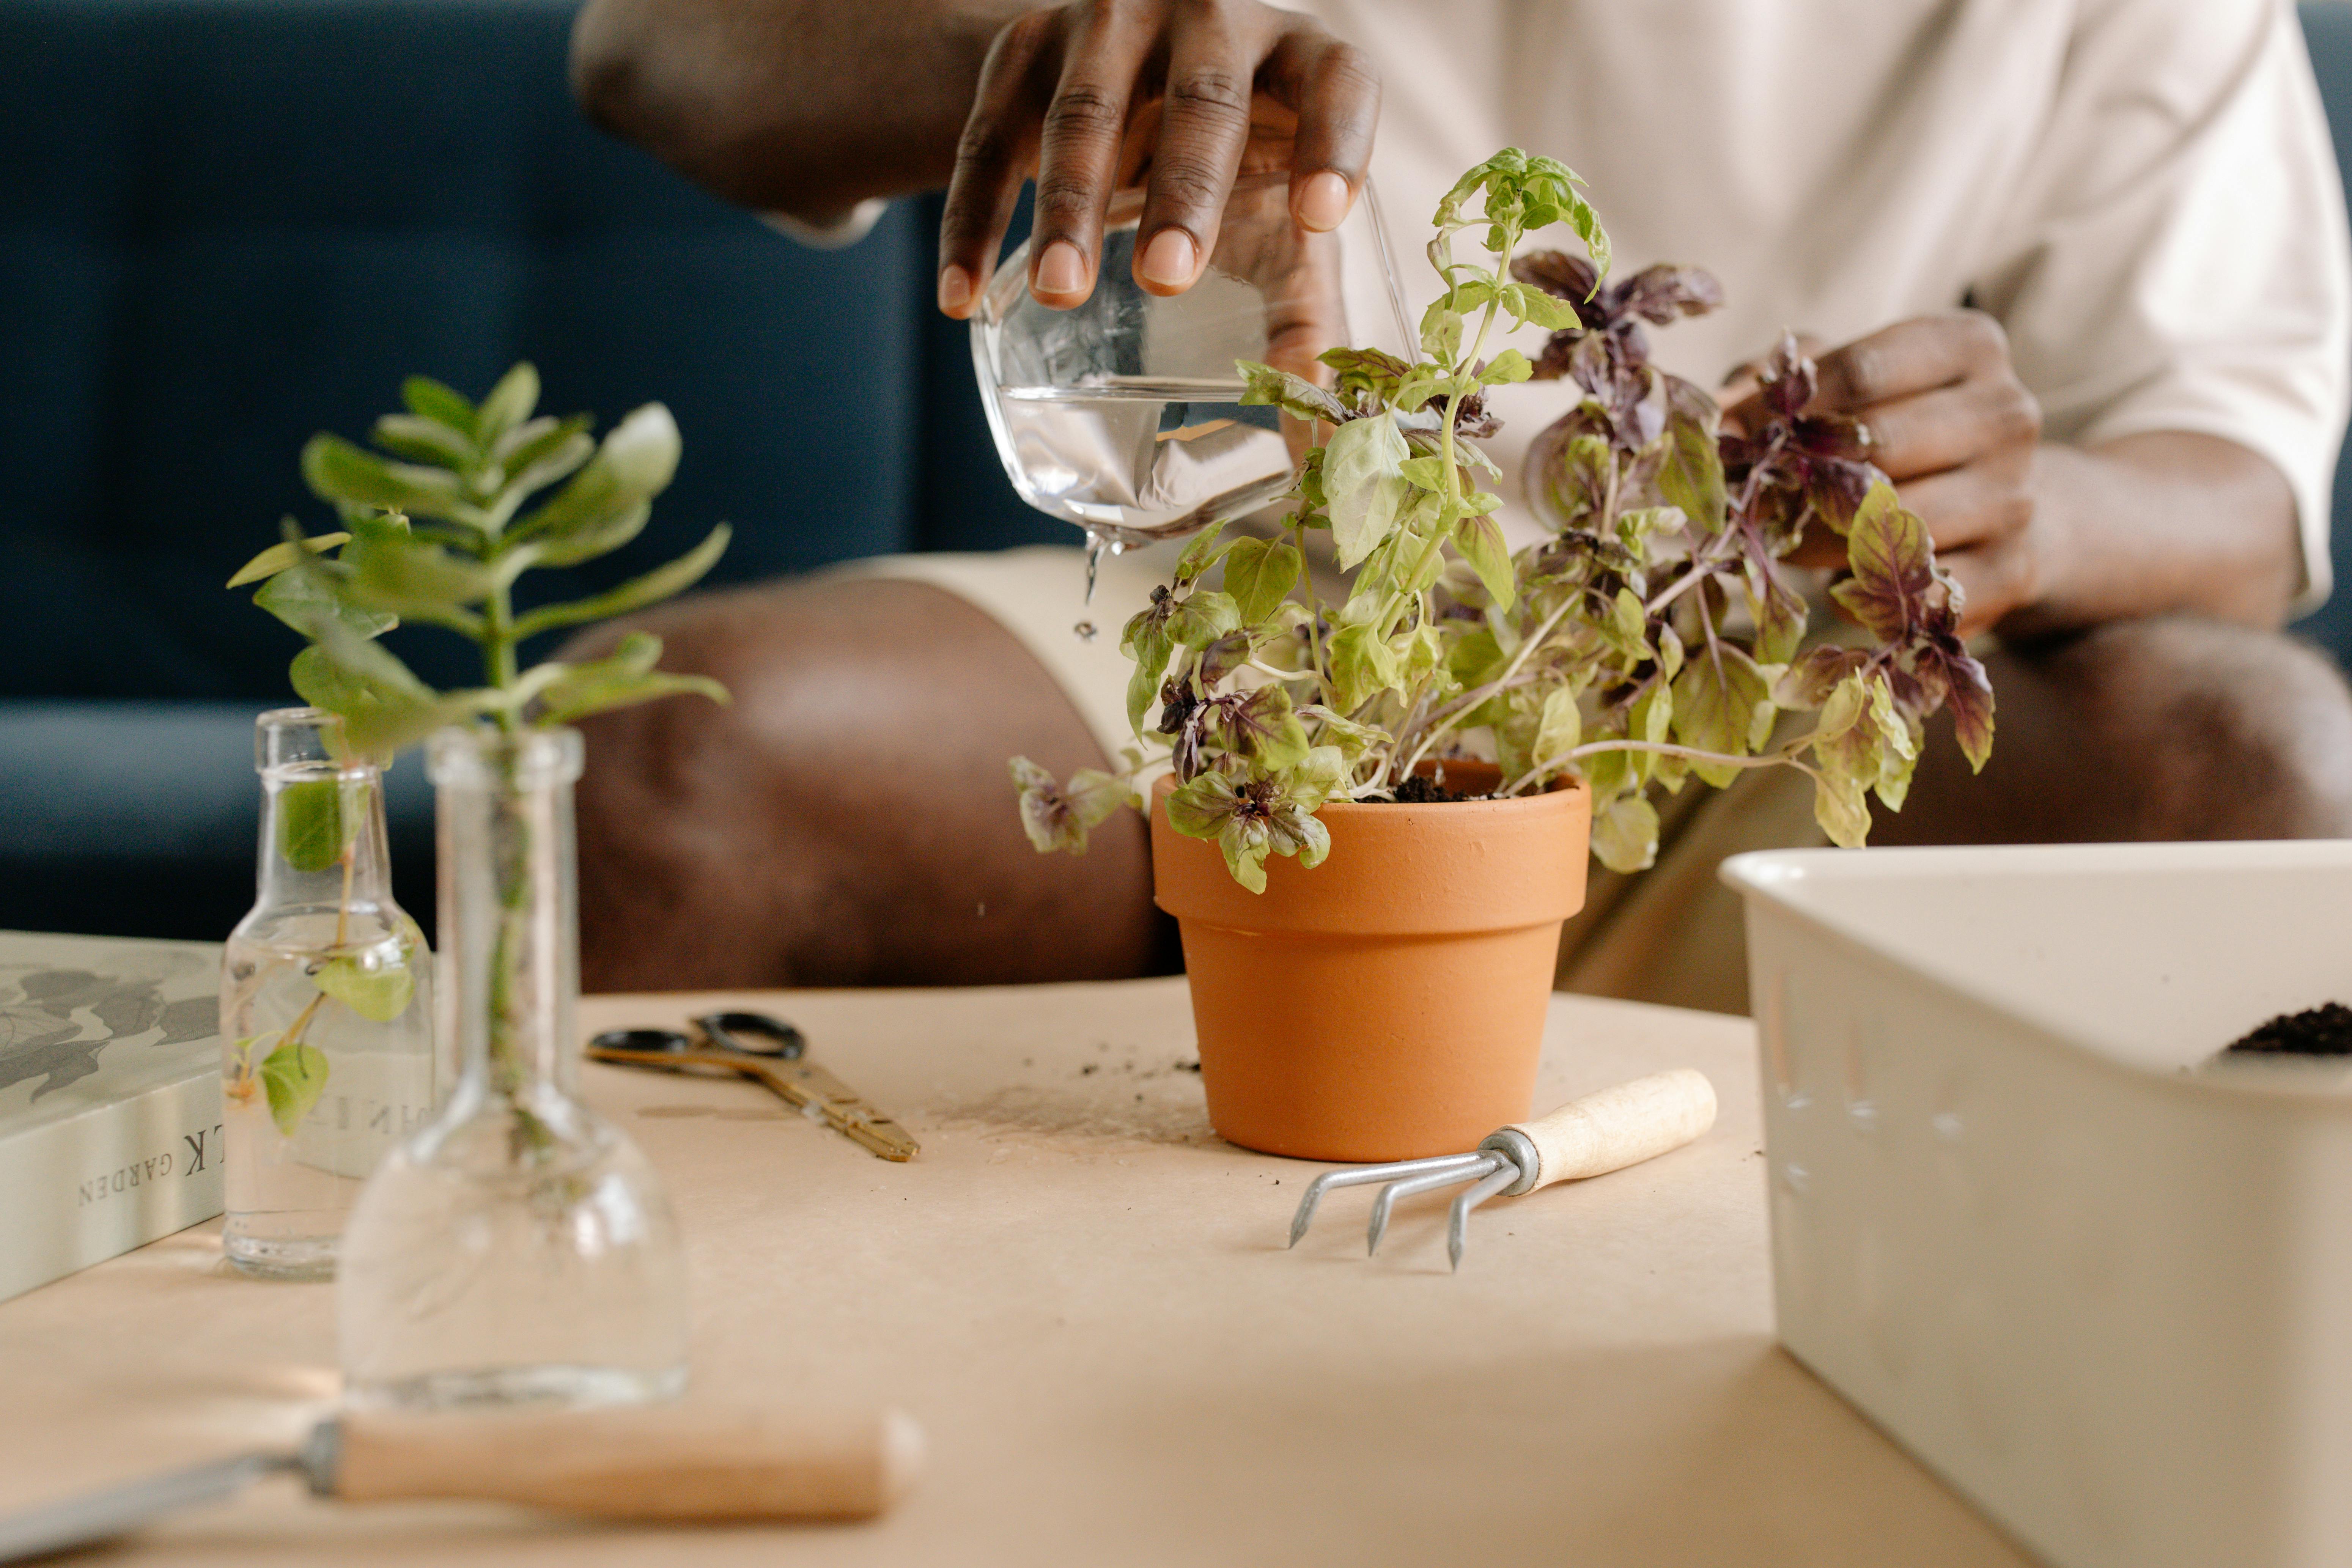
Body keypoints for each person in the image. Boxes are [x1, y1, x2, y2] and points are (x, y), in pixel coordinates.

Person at [562, 0, 2352, 1010]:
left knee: (2264, 770)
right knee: (672, 763)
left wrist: (2021, 513)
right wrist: (1041, 42)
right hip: (1229, 629)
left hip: (1762, 706)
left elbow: (2244, 492)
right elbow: (648, 55)